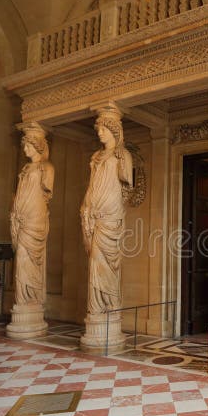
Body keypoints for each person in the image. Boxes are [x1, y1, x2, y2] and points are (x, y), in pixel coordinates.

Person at [80, 117, 133, 317]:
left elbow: (127, 187)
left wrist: (114, 209)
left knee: (102, 260)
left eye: (103, 129)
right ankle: (96, 308)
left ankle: (109, 305)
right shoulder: (96, 156)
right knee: (94, 260)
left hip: (110, 216)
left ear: (114, 131)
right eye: (99, 129)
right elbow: (92, 185)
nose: (100, 133)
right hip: (92, 216)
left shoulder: (122, 155)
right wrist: (85, 206)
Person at [10, 131, 54, 307]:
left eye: (28, 146)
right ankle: (22, 300)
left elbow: (46, 195)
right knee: (20, 256)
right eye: (25, 146)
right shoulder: (25, 168)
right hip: (21, 216)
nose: (25, 149)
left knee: (26, 255)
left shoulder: (47, 168)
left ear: (38, 146)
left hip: (35, 217)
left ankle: (32, 296)